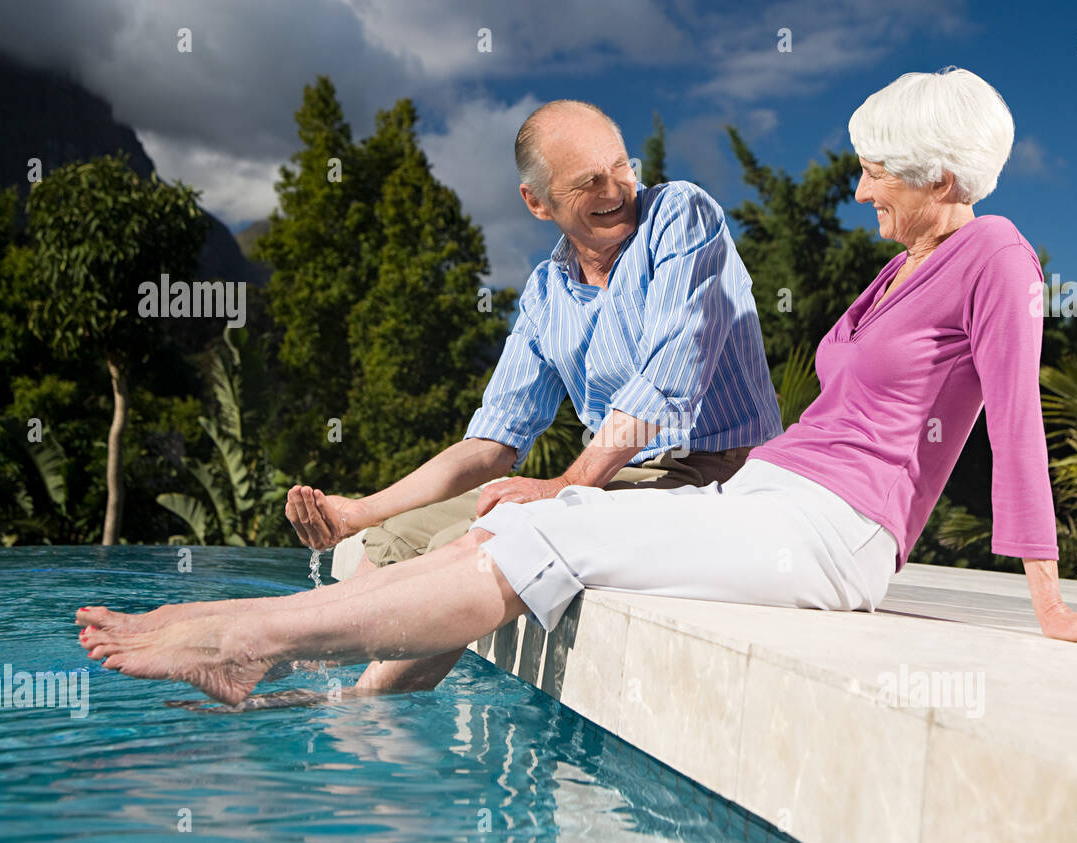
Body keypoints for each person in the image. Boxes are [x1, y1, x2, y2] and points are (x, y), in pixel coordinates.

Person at [75, 67, 1077, 707]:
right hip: (765, 499)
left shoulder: (994, 257)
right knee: (481, 536)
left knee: (545, 539)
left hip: (835, 534)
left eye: (875, 170)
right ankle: (251, 643)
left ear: (939, 175)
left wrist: (1049, 598)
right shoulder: (903, 268)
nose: (856, 188)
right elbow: (503, 434)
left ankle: (244, 638)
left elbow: (1017, 417)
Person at [284, 98, 781, 693]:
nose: (616, 189)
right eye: (587, 182)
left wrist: (564, 487)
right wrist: (358, 512)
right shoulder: (547, 293)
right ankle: (316, 671)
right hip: (620, 475)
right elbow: (492, 444)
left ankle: (363, 713)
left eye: (621, 166)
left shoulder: (682, 216)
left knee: (472, 542)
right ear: (537, 201)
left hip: (709, 474)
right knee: (399, 534)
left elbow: (666, 386)